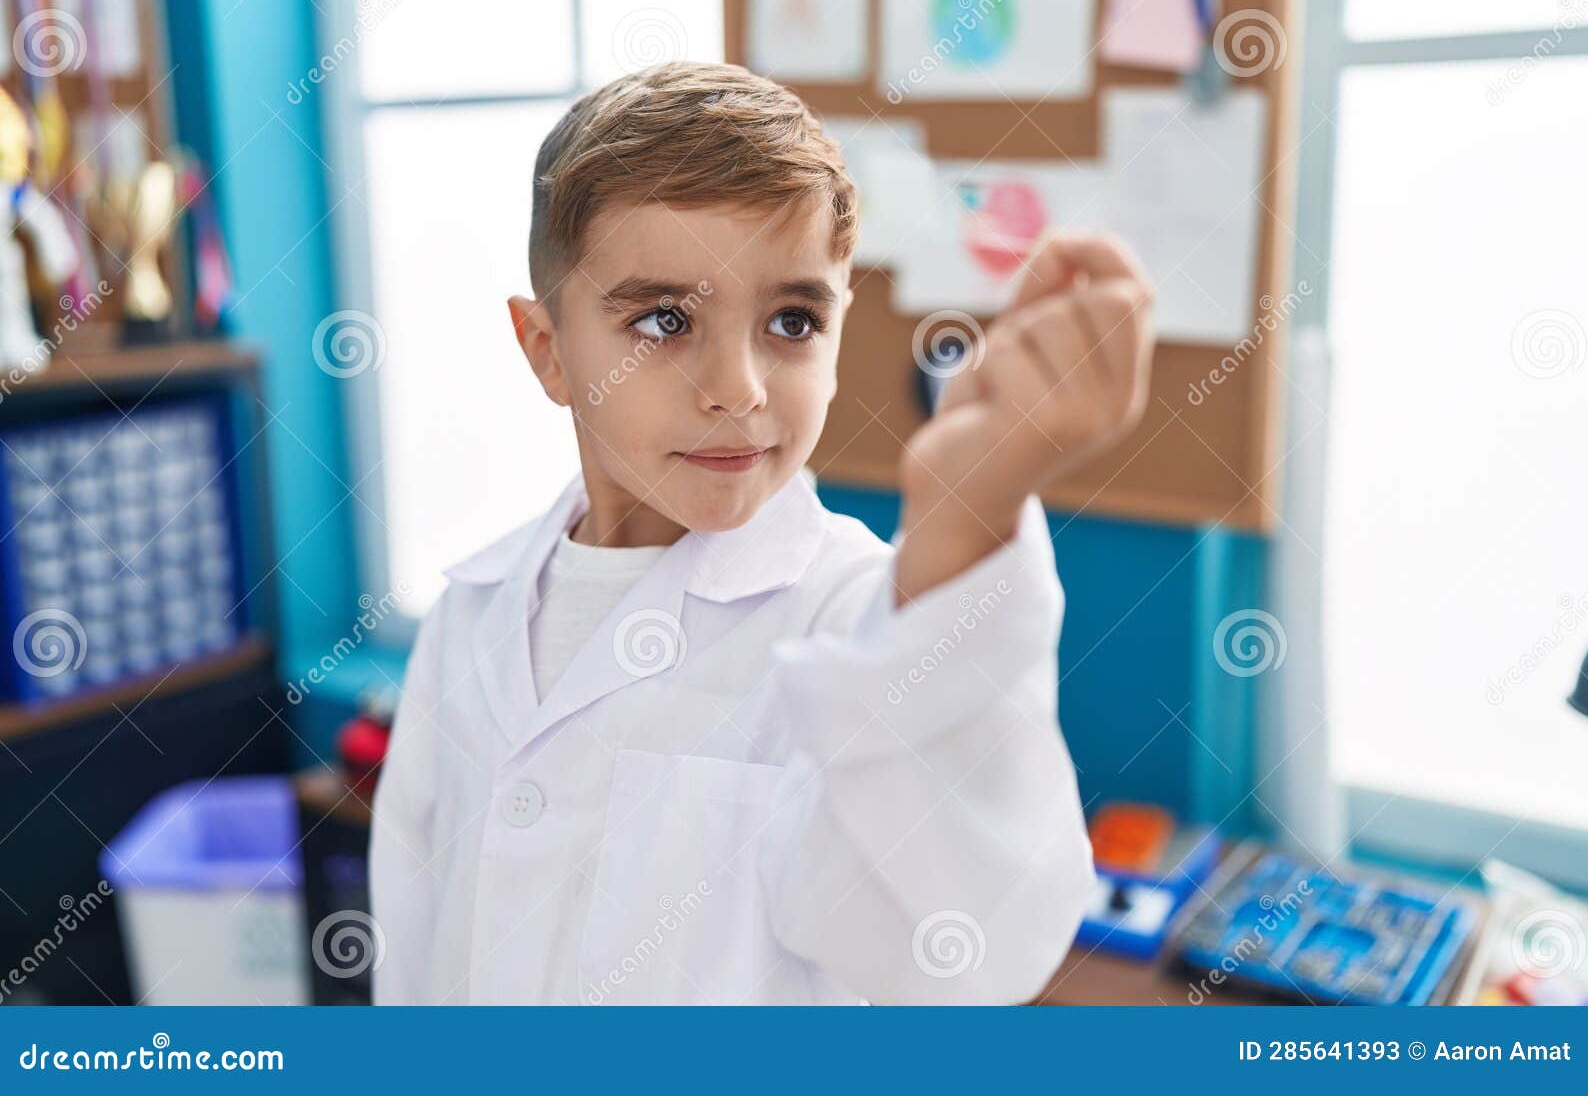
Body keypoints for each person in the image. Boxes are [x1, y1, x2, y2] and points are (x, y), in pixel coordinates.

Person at [369, 61, 1153, 1005]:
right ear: (549, 351)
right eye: (664, 319)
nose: (739, 388)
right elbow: (411, 936)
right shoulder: (471, 615)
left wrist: (969, 513)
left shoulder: (866, 620)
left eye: (792, 319)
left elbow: (971, 943)